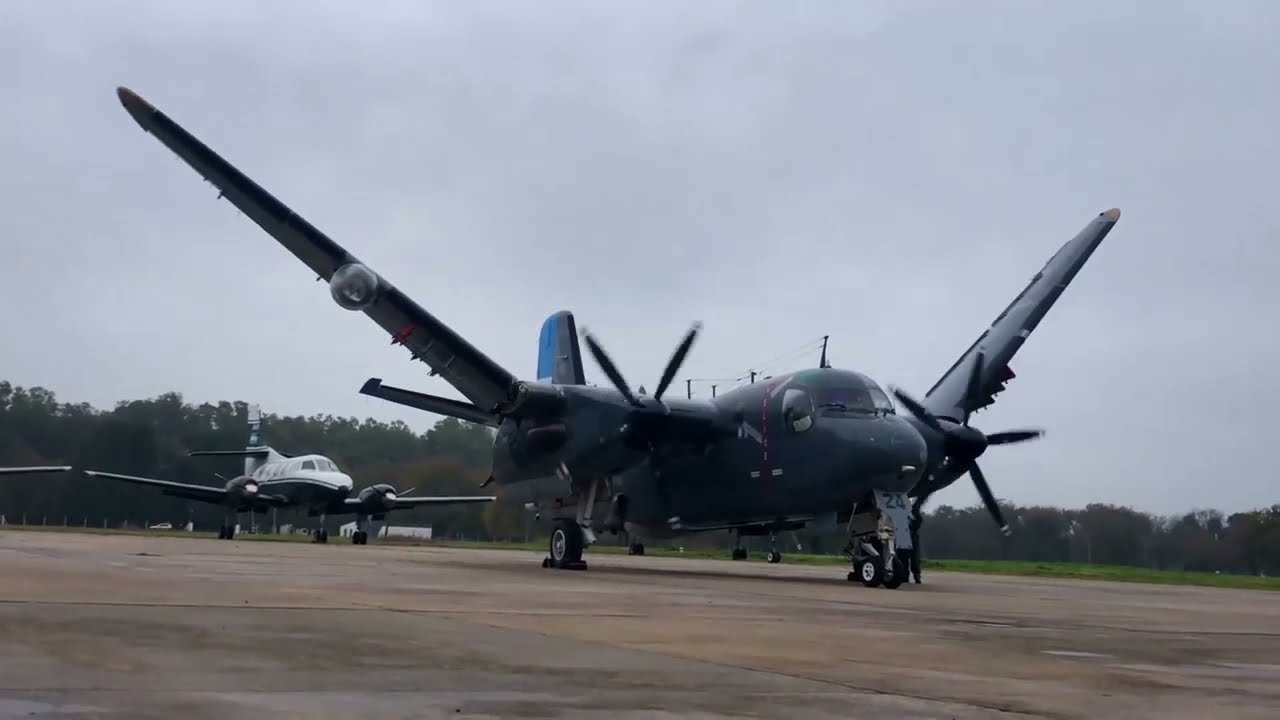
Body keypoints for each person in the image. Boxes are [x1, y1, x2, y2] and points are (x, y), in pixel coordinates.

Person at [908, 509, 923, 584]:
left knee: (915, 559)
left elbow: (919, 521)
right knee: (902, 559)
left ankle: (917, 576)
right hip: (903, 537)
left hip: (913, 538)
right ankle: (904, 577)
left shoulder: (914, 513)